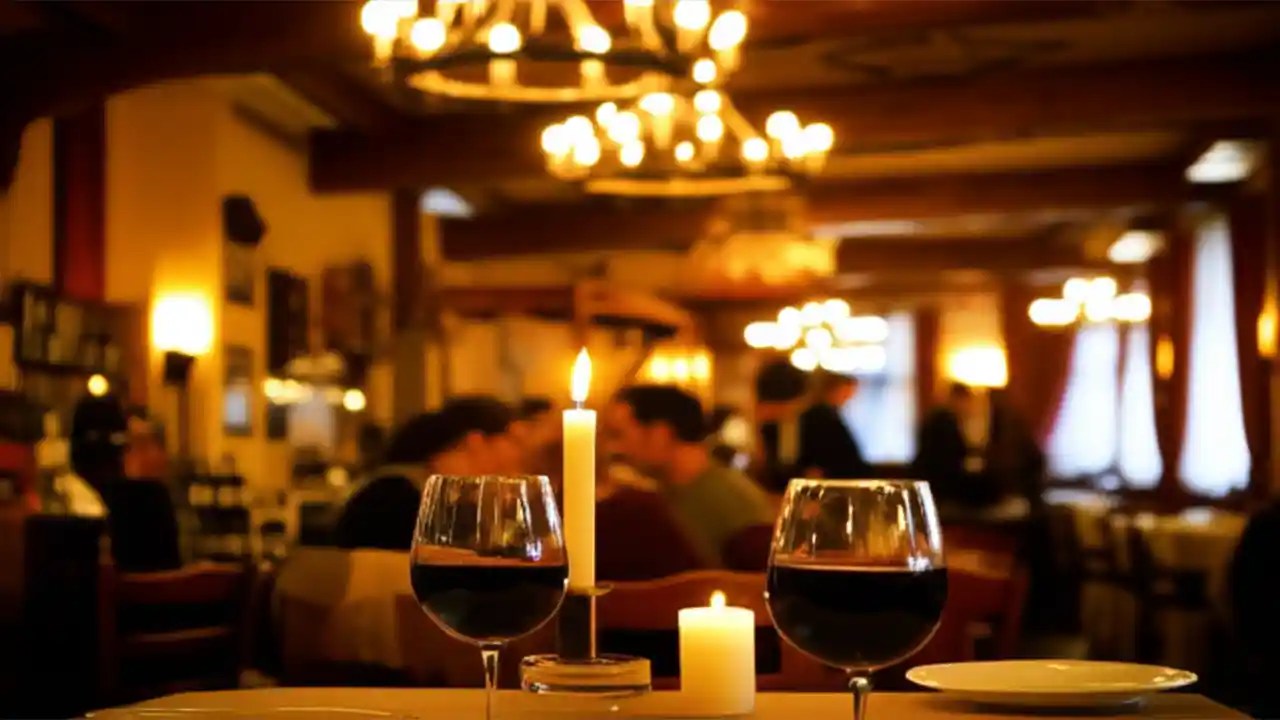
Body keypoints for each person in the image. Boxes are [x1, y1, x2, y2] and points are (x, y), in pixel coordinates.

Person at [607, 385, 775, 569]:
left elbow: (758, 581)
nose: (613, 449)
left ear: (659, 435)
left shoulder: (730, 498)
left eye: (618, 435)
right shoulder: (663, 493)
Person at [334, 396, 520, 550]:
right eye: (512, 441)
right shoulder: (395, 494)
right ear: (475, 441)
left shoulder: (451, 498)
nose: (518, 452)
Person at [796, 371, 870, 480]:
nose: (849, 397)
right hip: (831, 480)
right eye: (847, 392)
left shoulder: (831, 414)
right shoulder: (819, 415)